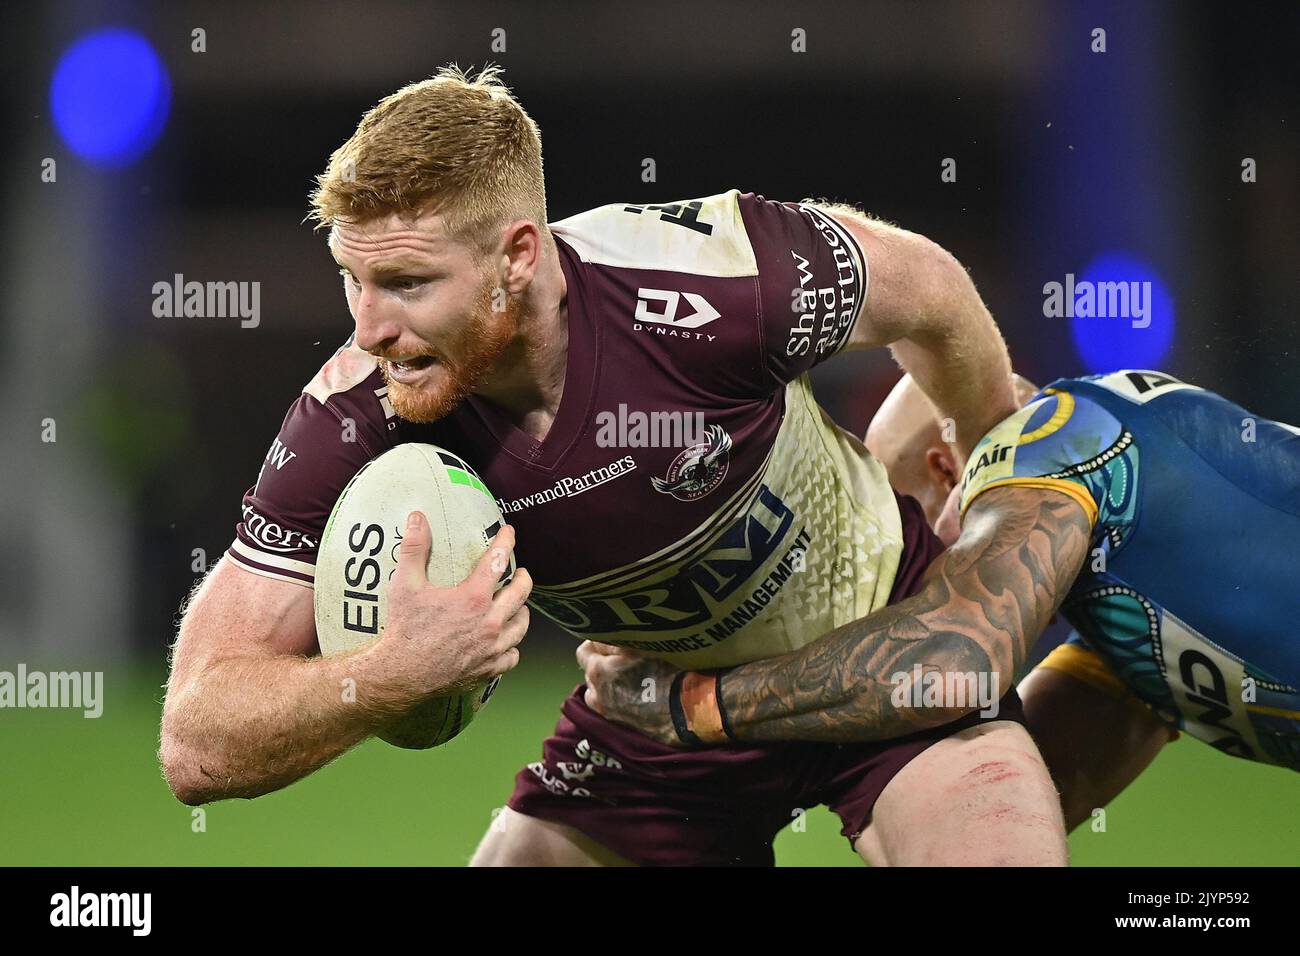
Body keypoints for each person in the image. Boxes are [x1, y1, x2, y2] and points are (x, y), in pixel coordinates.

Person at [160, 65, 1067, 867]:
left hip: (881, 662)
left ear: (518, 255)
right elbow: (196, 744)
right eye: (351, 279)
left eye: (405, 284)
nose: (368, 327)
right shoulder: (360, 414)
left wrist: (988, 451)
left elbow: (930, 291)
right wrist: (393, 673)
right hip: (654, 724)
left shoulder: (716, 280)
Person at [584, 369, 1300, 832]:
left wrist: (694, 704)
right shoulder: (1122, 618)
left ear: (945, 466)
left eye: (905, 531)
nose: (903, 579)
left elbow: (953, 652)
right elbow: (1001, 810)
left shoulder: (1047, 438)